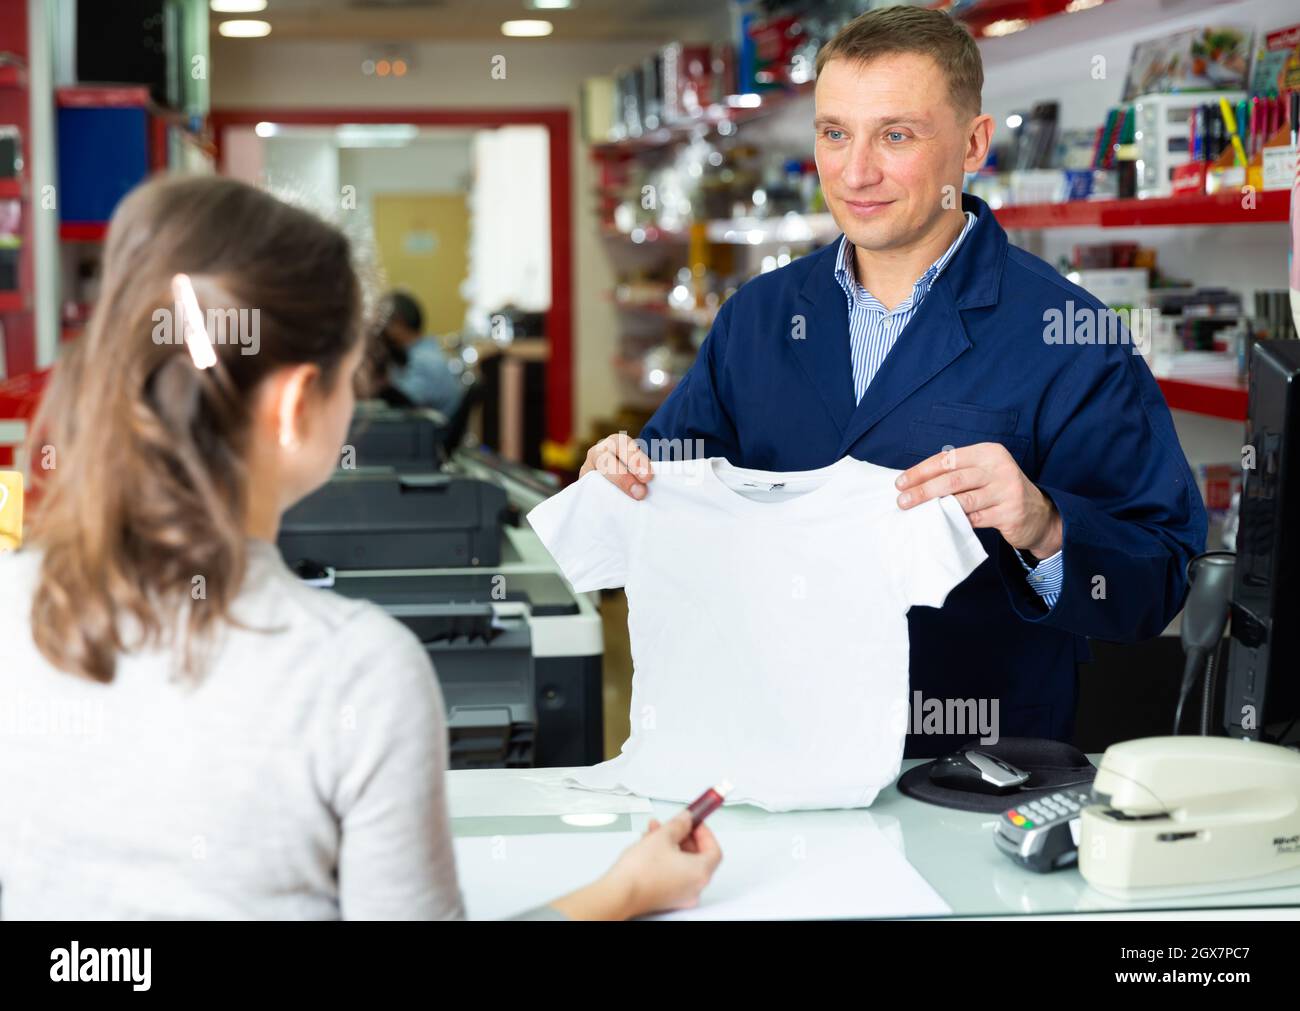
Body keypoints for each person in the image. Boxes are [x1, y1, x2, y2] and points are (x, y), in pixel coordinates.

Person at [0, 175, 720, 920]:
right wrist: (626, 890)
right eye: (348, 379)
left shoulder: (10, 603)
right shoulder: (356, 671)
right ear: (291, 404)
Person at [580, 7, 1207, 758]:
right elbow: (663, 491)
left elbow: (1158, 576)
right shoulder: (760, 319)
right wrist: (619, 481)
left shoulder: (1069, 335)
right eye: (835, 133)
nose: (855, 172)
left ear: (973, 143)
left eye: (896, 135)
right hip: (769, 747)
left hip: (974, 765)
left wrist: (1043, 524)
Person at [375, 290, 466, 420]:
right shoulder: (424, 353)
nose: (377, 333)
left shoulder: (424, 361)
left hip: (428, 436)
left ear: (398, 323)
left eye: (379, 324)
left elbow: (404, 401)